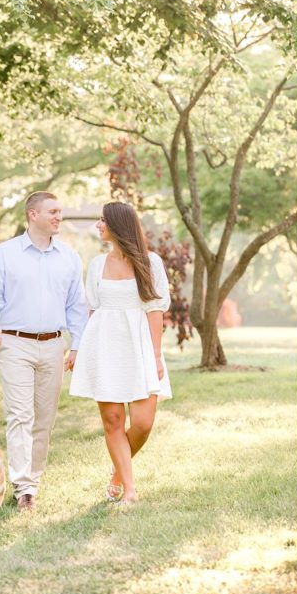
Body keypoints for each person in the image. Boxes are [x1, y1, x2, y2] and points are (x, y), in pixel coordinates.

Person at [0, 191, 88, 512]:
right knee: (20, 415)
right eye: (52, 211)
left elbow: (76, 307)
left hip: (54, 344)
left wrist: (77, 345)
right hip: (13, 342)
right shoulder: (4, 254)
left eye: (60, 212)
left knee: (44, 419)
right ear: (32, 215)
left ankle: (33, 480)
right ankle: (23, 487)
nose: (58, 217)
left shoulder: (69, 257)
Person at [68, 201, 172, 506]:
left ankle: (116, 474)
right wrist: (78, 347)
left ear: (117, 224)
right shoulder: (98, 265)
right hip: (105, 345)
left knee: (142, 423)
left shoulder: (151, 262)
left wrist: (155, 356)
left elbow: (155, 311)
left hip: (140, 346)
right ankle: (129, 489)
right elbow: (91, 310)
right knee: (113, 420)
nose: (98, 225)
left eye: (102, 220)